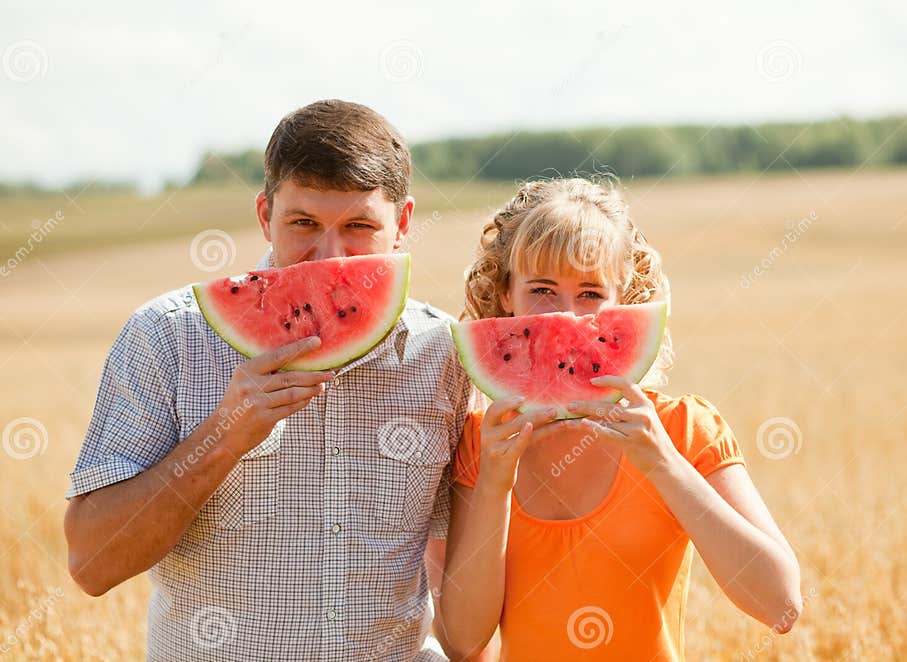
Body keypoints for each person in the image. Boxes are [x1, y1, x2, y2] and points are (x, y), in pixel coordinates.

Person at [64, 100, 470, 661]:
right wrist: (225, 435)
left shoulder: (445, 353)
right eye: (303, 223)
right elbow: (92, 563)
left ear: (401, 224)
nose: (328, 257)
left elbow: (467, 582)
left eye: (358, 227)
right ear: (264, 216)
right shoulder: (168, 336)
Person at [437, 178, 803, 661]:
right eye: (543, 290)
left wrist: (665, 465)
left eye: (590, 293)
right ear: (506, 294)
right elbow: (463, 642)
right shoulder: (482, 444)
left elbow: (781, 605)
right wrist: (494, 485)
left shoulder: (681, 429)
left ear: (624, 301)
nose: (566, 317)